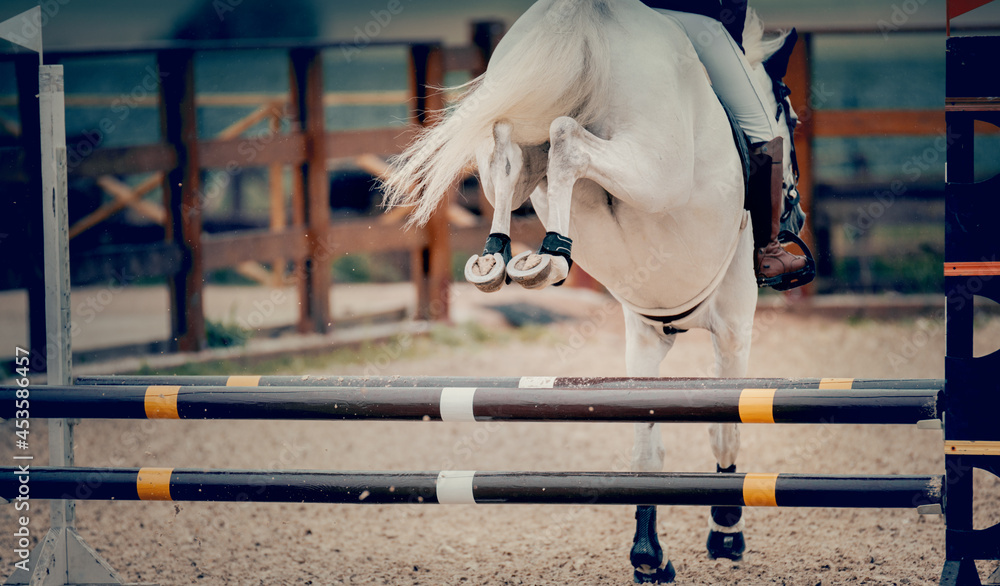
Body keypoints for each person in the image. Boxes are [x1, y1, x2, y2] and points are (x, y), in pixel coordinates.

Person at [642, 0, 811, 290]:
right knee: (765, 131)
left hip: (631, 14)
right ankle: (769, 252)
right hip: (695, 21)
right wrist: (735, 47)